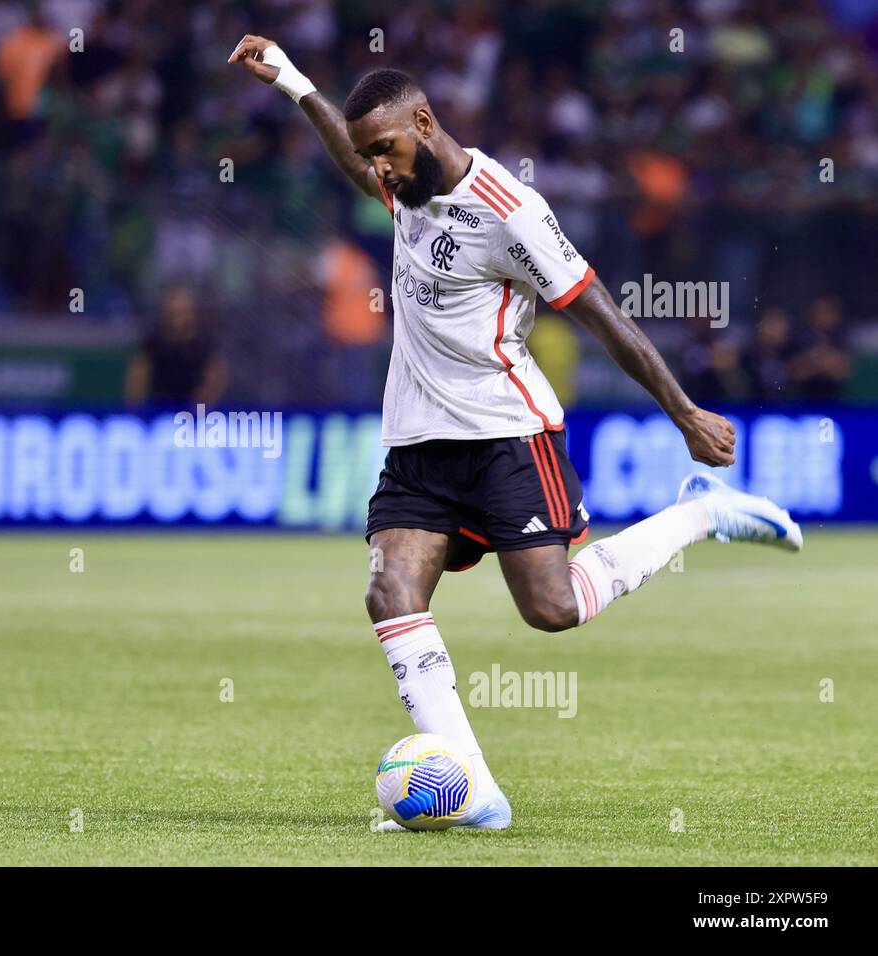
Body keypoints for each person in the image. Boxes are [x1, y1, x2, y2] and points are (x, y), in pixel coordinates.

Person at [229, 35, 802, 831]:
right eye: (372, 157)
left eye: (387, 150)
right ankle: (476, 793)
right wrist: (293, 81)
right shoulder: (403, 186)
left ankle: (698, 513)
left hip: (507, 438)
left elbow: (605, 318)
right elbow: (351, 162)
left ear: (424, 122)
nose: (380, 170)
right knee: (389, 590)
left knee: (552, 609)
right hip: (417, 445)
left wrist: (683, 413)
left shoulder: (512, 214)